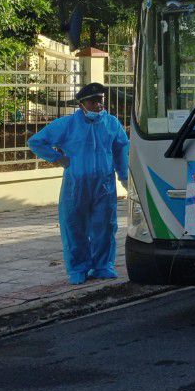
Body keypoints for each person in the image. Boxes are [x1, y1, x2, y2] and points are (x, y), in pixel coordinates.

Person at [27, 82, 130, 284]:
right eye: (93, 102)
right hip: (76, 187)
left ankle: (103, 266)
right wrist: (56, 158)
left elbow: (121, 150)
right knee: (74, 227)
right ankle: (78, 268)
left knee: (105, 227)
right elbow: (36, 141)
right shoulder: (66, 125)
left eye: (100, 101)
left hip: (104, 186)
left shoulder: (112, 124)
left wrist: (124, 176)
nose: (98, 105)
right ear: (82, 104)